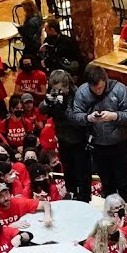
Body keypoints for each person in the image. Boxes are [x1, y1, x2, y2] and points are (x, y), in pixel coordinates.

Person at [70, 64, 127, 199]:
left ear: (105, 81)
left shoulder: (119, 89)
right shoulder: (82, 92)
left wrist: (114, 116)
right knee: (106, 182)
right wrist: (88, 118)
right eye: (93, 88)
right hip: (97, 144)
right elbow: (75, 116)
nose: (97, 90)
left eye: (99, 87)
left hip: (118, 143)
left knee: (123, 181)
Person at [39, 69, 89, 200]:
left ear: (67, 87)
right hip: (63, 138)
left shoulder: (78, 95)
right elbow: (41, 110)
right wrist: (47, 102)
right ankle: (72, 194)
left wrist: (65, 106)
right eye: (56, 89)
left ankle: (84, 198)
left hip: (79, 139)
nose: (58, 92)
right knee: (68, 171)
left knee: (81, 173)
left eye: (61, 89)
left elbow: (78, 120)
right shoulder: (54, 94)